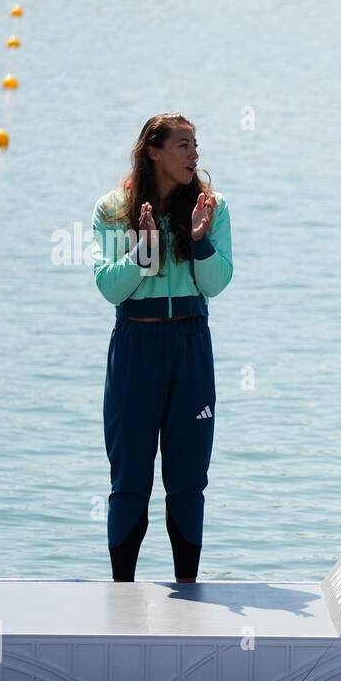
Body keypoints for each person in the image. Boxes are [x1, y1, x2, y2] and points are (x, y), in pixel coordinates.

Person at [89, 113, 234, 583]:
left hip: (191, 343)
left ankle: (187, 587)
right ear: (154, 151)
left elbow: (215, 285)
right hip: (137, 344)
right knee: (129, 480)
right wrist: (144, 249)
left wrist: (197, 240)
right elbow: (112, 289)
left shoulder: (212, 207)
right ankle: (121, 592)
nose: (195, 154)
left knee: (188, 481)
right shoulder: (113, 210)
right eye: (183, 145)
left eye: (196, 145)